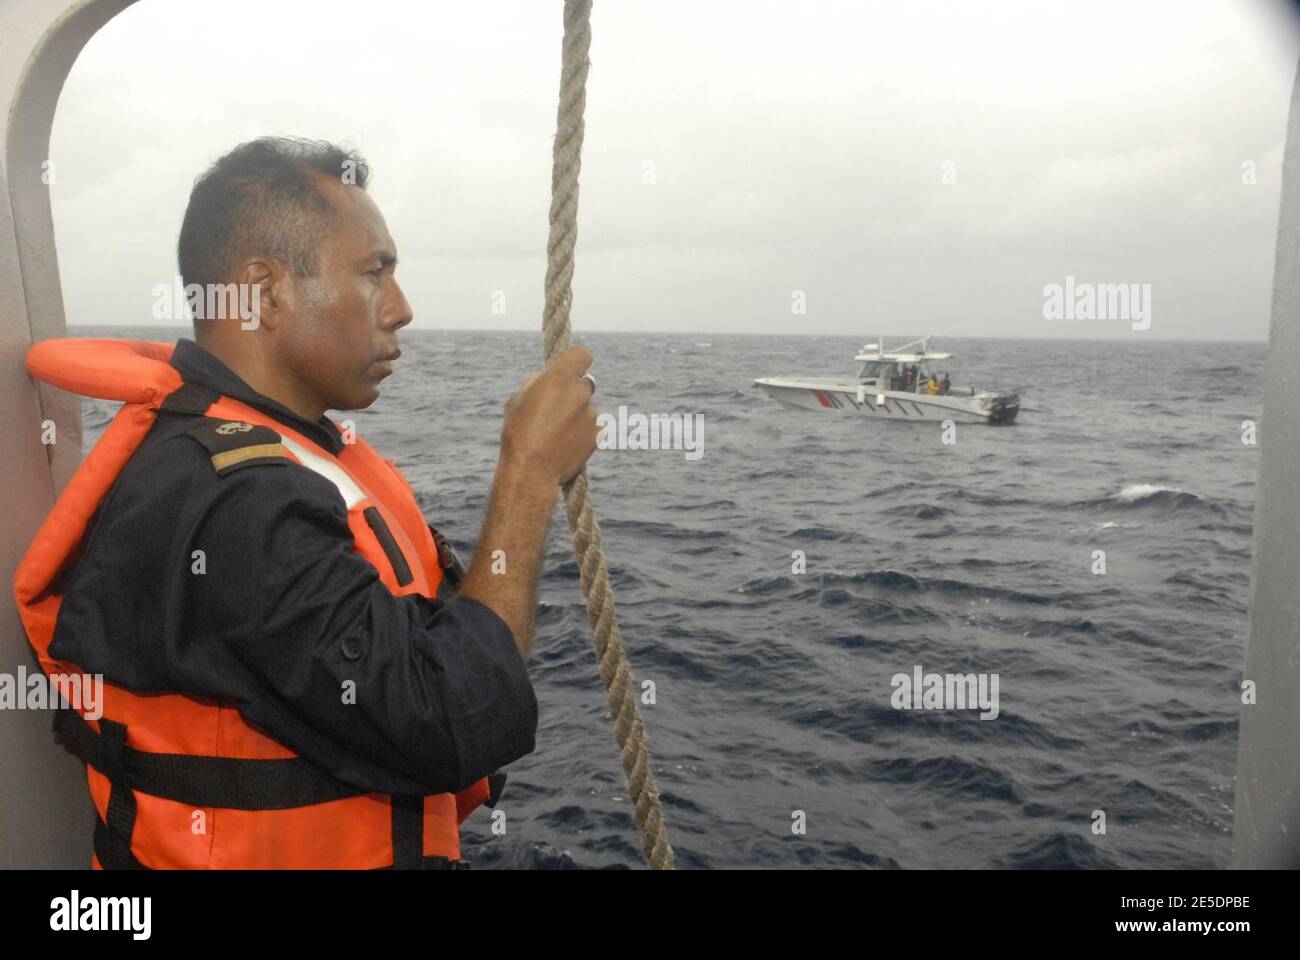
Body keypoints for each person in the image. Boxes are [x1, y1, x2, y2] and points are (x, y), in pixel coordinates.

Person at [13, 137, 600, 869]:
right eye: (373, 273)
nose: (403, 309)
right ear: (264, 293)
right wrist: (528, 475)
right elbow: (450, 723)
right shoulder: (233, 499)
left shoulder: (260, 455)